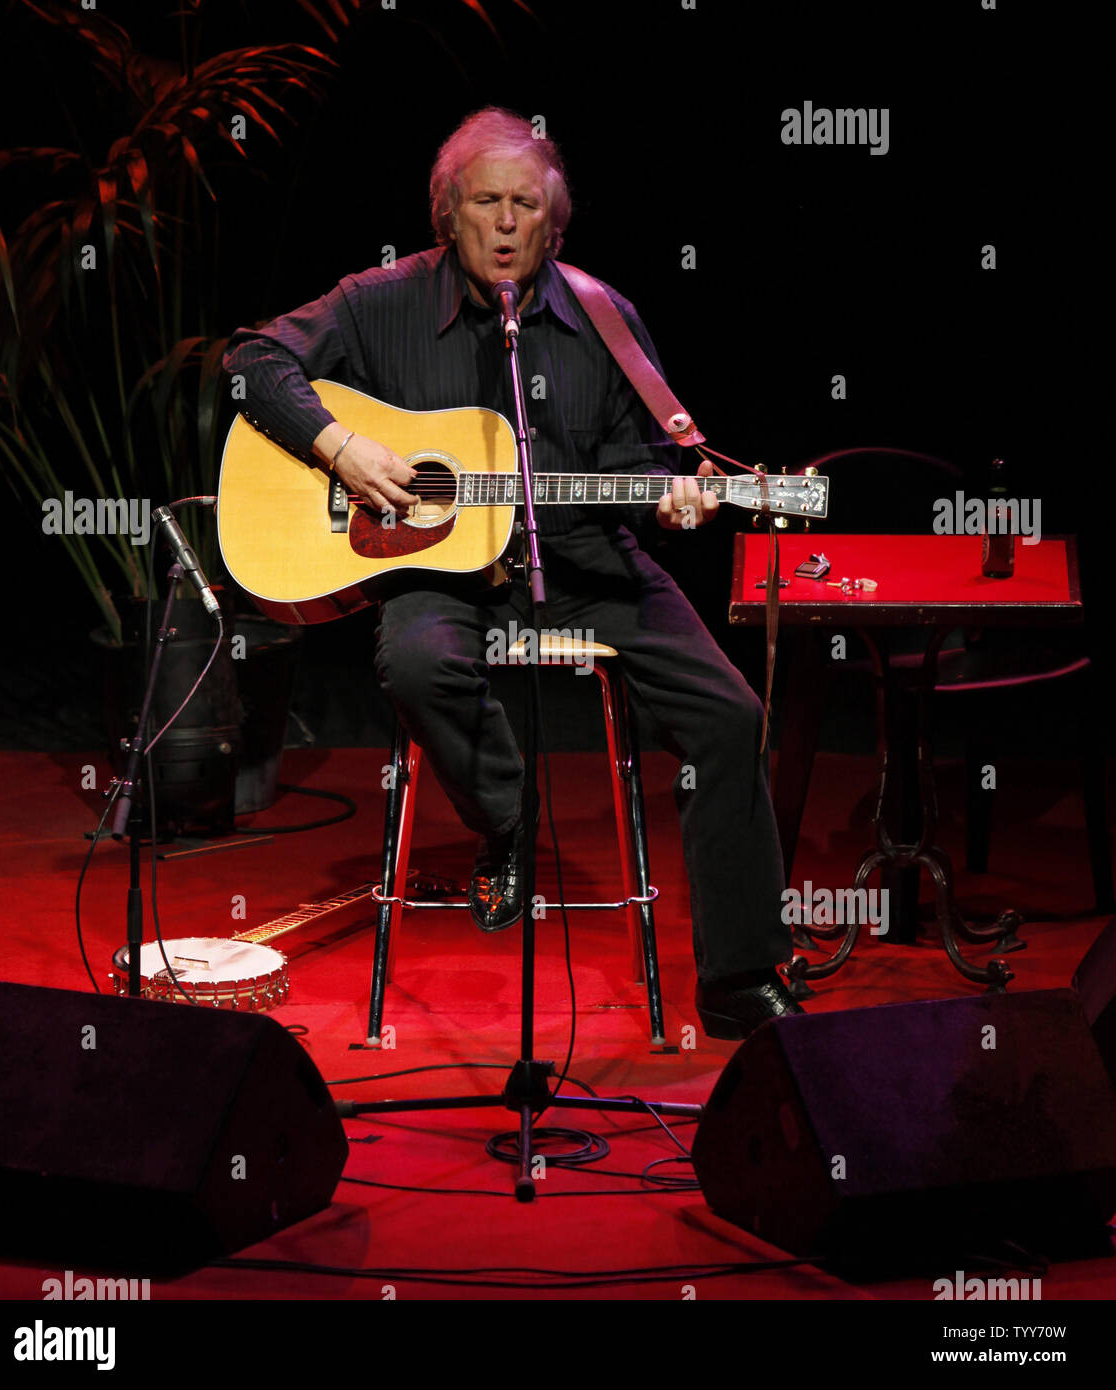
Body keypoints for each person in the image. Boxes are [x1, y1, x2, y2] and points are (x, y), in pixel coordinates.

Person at [223, 107, 802, 1039]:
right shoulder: (381, 301)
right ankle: (507, 819)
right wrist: (338, 447)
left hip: (581, 560)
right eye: (484, 203)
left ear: (552, 222)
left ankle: (739, 978)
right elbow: (251, 362)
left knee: (732, 717)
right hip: (441, 573)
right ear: (446, 214)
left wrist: (669, 499)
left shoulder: (603, 319)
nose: (504, 223)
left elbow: (634, 462)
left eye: (524, 206)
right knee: (416, 664)